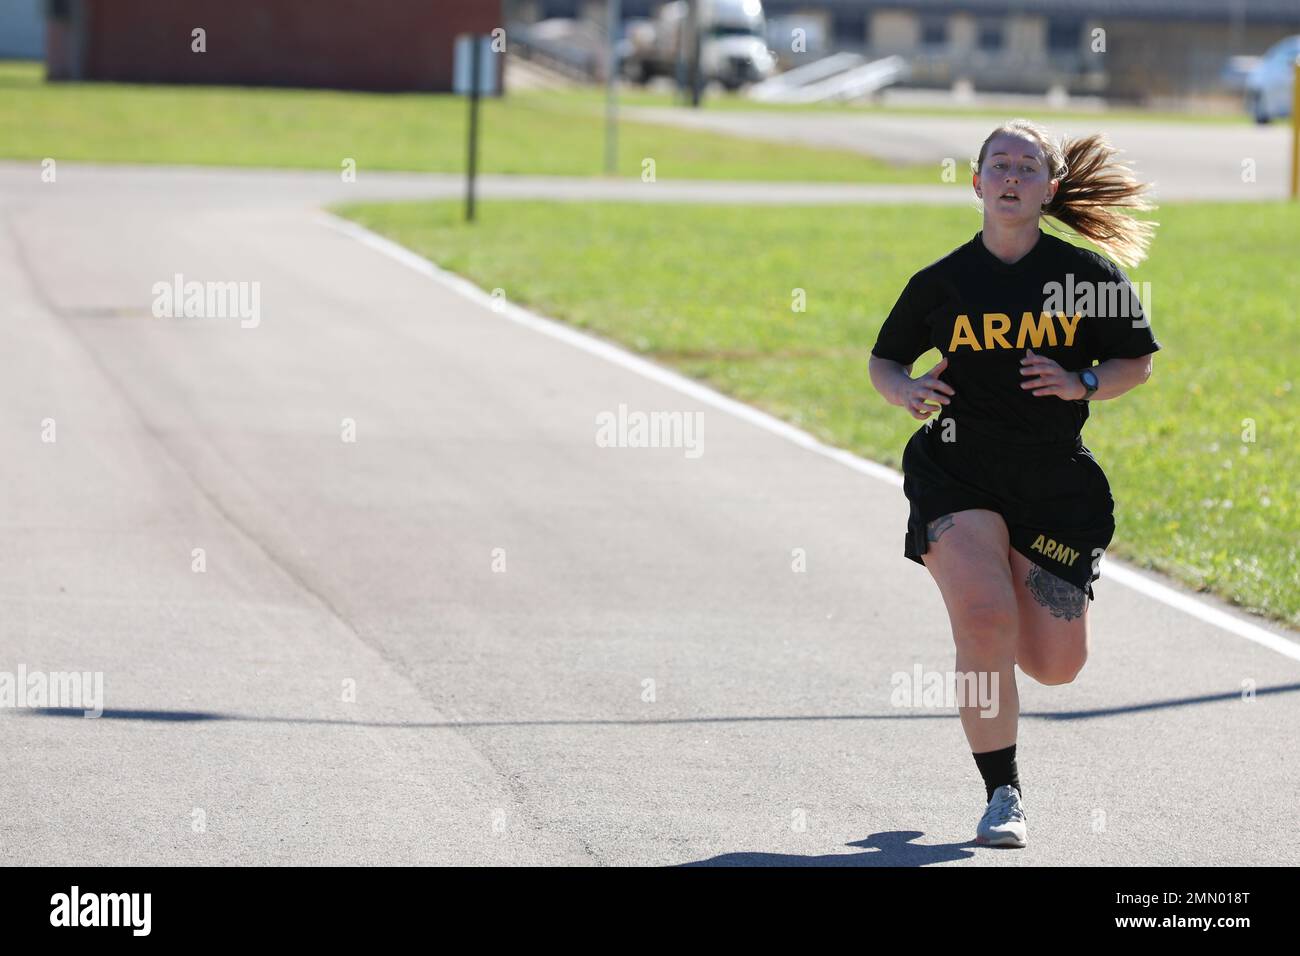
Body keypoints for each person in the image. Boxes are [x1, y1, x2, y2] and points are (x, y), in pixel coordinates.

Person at [867, 119, 1162, 848]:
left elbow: (1137, 363)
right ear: (975, 182)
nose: (1010, 176)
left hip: (1052, 486)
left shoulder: (1088, 279)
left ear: (1048, 189)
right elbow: (884, 361)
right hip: (954, 474)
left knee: (1056, 666)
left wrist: (1079, 381)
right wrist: (904, 390)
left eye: (1026, 167)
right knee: (984, 621)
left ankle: (1016, 581)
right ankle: (1004, 793)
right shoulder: (940, 283)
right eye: (997, 164)